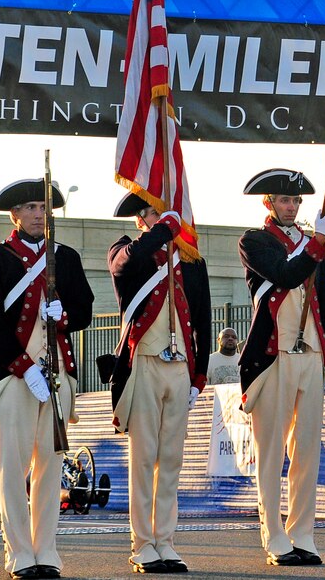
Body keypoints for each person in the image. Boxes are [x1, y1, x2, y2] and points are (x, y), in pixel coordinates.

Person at [0, 177, 94, 580]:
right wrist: (23, 367)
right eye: (30, 208)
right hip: (13, 375)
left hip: (57, 374)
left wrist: (66, 315)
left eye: (43, 208)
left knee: (52, 466)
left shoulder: (66, 256)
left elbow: (85, 310)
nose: (38, 215)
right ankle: (19, 553)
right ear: (15, 215)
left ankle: (47, 550)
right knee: (14, 468)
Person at [108, 191, 212, 573]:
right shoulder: (125, 249)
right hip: (145, 362)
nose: (164, 218)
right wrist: (163, 229)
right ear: (140, 220)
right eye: (153, 212)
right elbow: (125, 265)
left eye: (167, 212)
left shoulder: (190, 259)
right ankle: (142, 544)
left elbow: (202, 318)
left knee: (171, 459)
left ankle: (166, 540)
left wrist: (199, 376)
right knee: (144, 456)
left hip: (180, 364)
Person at [237, 168, 325, 567]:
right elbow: (283, 273)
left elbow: (324, 302)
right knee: (272, 448)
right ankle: (274, 535)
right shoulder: (254, 241)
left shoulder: (314, 243)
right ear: (268, 203)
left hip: (310, 352)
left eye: (295, 201)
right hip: (274, 354)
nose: (291, 207)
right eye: (284, 200)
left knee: (307, 450)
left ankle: (302, 534)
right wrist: (318, 242)